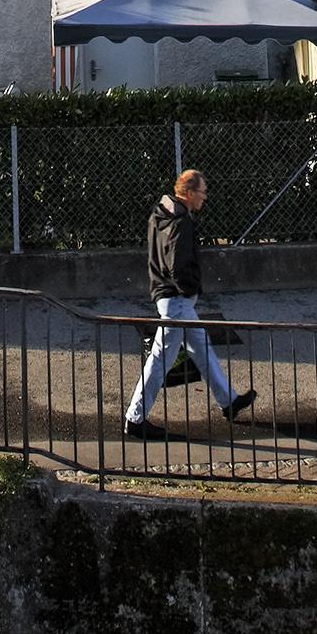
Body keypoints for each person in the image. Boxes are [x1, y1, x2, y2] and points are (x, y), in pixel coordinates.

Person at [122, 167, 256, 437]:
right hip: (177, 300)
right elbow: (178, 265)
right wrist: (189, 288)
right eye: (203, 192)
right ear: (190, 192)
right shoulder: (181, 222)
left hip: (169, 296)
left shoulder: (161, 214)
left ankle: (228, 401)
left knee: (202, 349)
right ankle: (135, 418)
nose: (205, 198)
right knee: (160, 360)